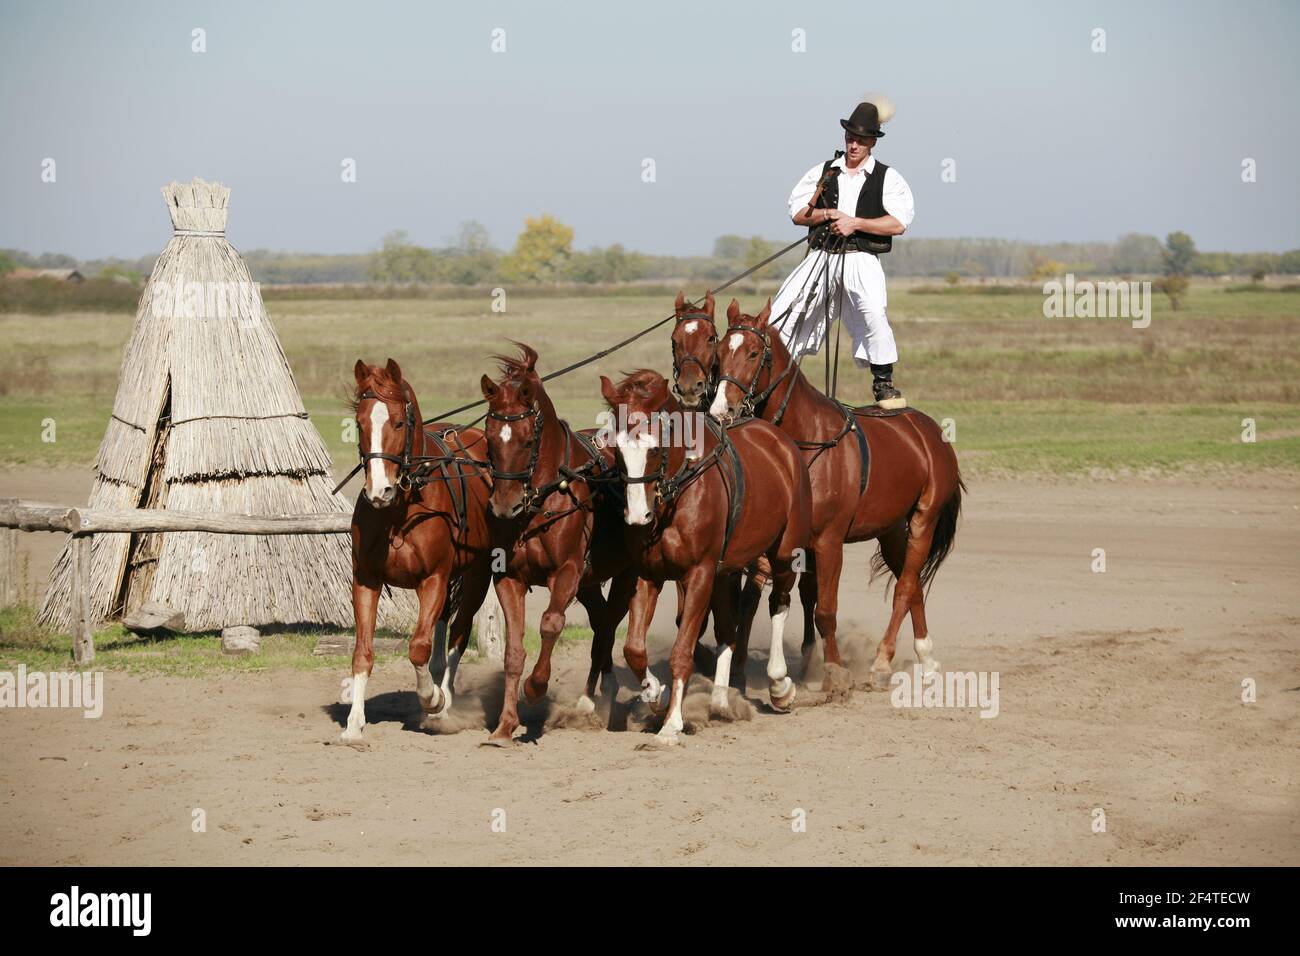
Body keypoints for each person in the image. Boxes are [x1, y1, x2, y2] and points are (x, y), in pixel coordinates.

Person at [771, 97, 914, 408]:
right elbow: (798, 213)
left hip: (861, 257)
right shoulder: (824, 172)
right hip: (822, 255)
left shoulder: (887, 177)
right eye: (850, 138)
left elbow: (898, 223)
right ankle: (771, 379)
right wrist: (828, 215)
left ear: (872, 143)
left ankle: (883, 383)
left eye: (860, 140)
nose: (853, 145)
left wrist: (855, 223)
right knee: (786, 309)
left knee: (873, 312)